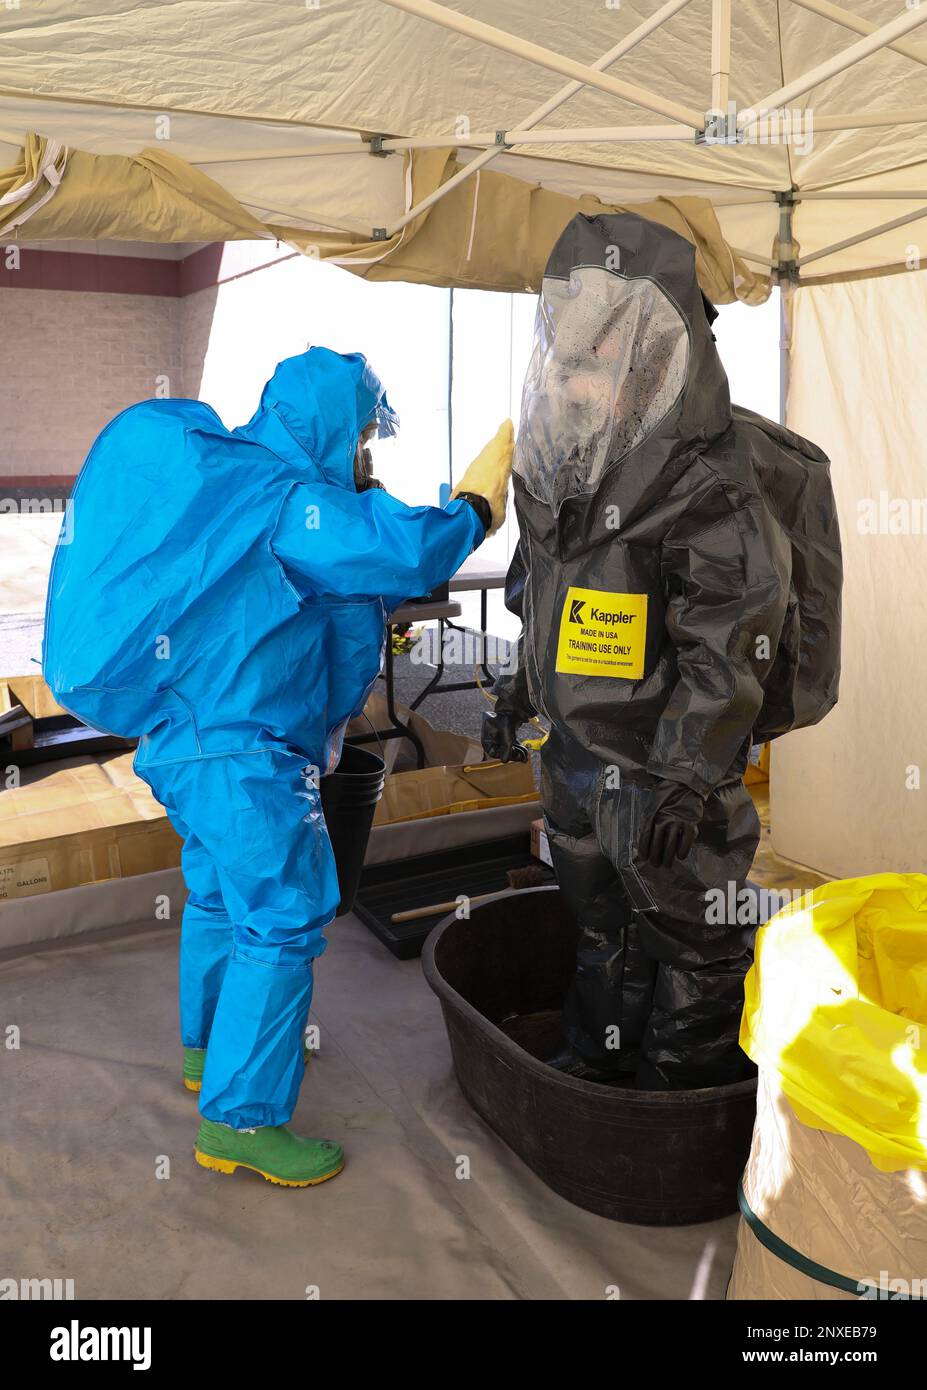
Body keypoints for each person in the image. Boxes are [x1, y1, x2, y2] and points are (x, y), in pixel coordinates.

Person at [44, 347, 514, 1184]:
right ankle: (243, 1122)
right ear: (335, 426)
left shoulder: (239, 490)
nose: (368, 451)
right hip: (244, 757)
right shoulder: (286, 500)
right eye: (366, 433)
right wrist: (474, 507)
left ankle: (208, 1054)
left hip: (190, 746)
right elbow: (406, 556)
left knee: (222, 902)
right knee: (284, 916)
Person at [484, 212, 842, 1090]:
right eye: (564, 360)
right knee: (599, 922)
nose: (571, 382)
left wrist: (688, 774)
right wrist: (517, 696)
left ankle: (678, 1087)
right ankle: (600, 1062)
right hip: (574, 764)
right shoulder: (558, 471)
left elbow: (730, 640)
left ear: (651, 360)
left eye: (592, 362)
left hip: (662, 774)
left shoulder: (709, 481)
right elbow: (538, 601)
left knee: (693, 936)